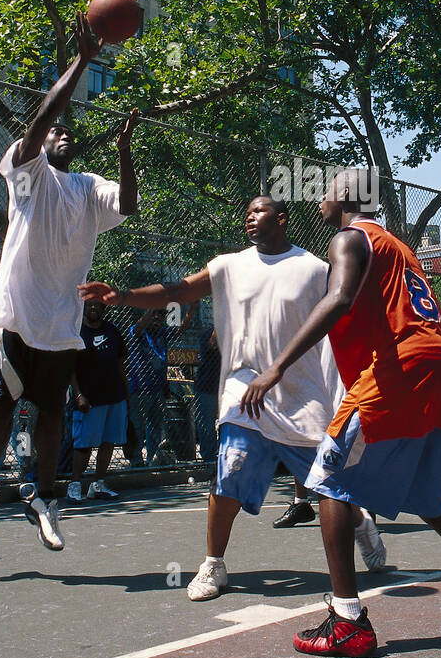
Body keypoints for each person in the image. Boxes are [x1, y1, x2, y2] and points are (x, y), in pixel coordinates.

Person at [240, 170, 441, 657]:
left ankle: (347, 619)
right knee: (425, 494)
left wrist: (277, 367)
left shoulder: (350, 237)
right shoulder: (399, 245)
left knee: (327, 480)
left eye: (327, 188)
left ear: (346, 196)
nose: (321, 197)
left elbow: (339, 298)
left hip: (401, 367)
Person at [79, 194, 386, 599]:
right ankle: (213, 565)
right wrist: (123, 295)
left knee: (330, 487)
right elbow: (178, 290)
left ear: (281, 219)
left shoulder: (313, 268)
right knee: (229, 473)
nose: (250, 218)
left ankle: (360, 519)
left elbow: (347, 314)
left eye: (258, 212)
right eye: (246, 213)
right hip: (245, 391)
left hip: (303, 395)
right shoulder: (229, 265)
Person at [0, 13, 139, 550]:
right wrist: (83, 60)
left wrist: (126, 151)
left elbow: (129, 205)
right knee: (2, 402)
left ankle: (44, 496)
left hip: (62, 320)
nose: (60, 135)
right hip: (17, 310)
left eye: (68, 133)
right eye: (54, 131)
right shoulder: (27, 170)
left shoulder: (87, 187)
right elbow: (43, 118)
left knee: (51, 410)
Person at [68, 300, 128, 503]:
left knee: (108, 441)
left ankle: (98, 484)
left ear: (104, 308)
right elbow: (70, 369)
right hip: (89, 398)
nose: (94, 308)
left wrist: (125, 390)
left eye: (98, 305)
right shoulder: (76, 332)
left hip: (115, 396)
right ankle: (75, 485)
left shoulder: (113, 331)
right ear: (83, 307)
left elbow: (120, 362)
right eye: (89, 305)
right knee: (83, 444)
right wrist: (78, 395)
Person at [126, 309, 168, 468]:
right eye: (154, 314)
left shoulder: (163, 333)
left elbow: (181, 329)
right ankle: (136, 460)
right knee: (137, 425)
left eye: (161, 314)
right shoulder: (138, 332)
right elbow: (137, 327)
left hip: (158, 388)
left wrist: (192, 309)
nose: (158, 317)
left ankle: (153, 458)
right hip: (139, 388)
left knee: (156, 426)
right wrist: (152, 305)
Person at [191, 325, 220, 470]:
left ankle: (223, 455)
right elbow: (212, 344)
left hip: (224, 387)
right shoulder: (208, 333)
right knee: (206, 425)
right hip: (206, 387)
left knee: (227, 423)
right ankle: (209, 458)